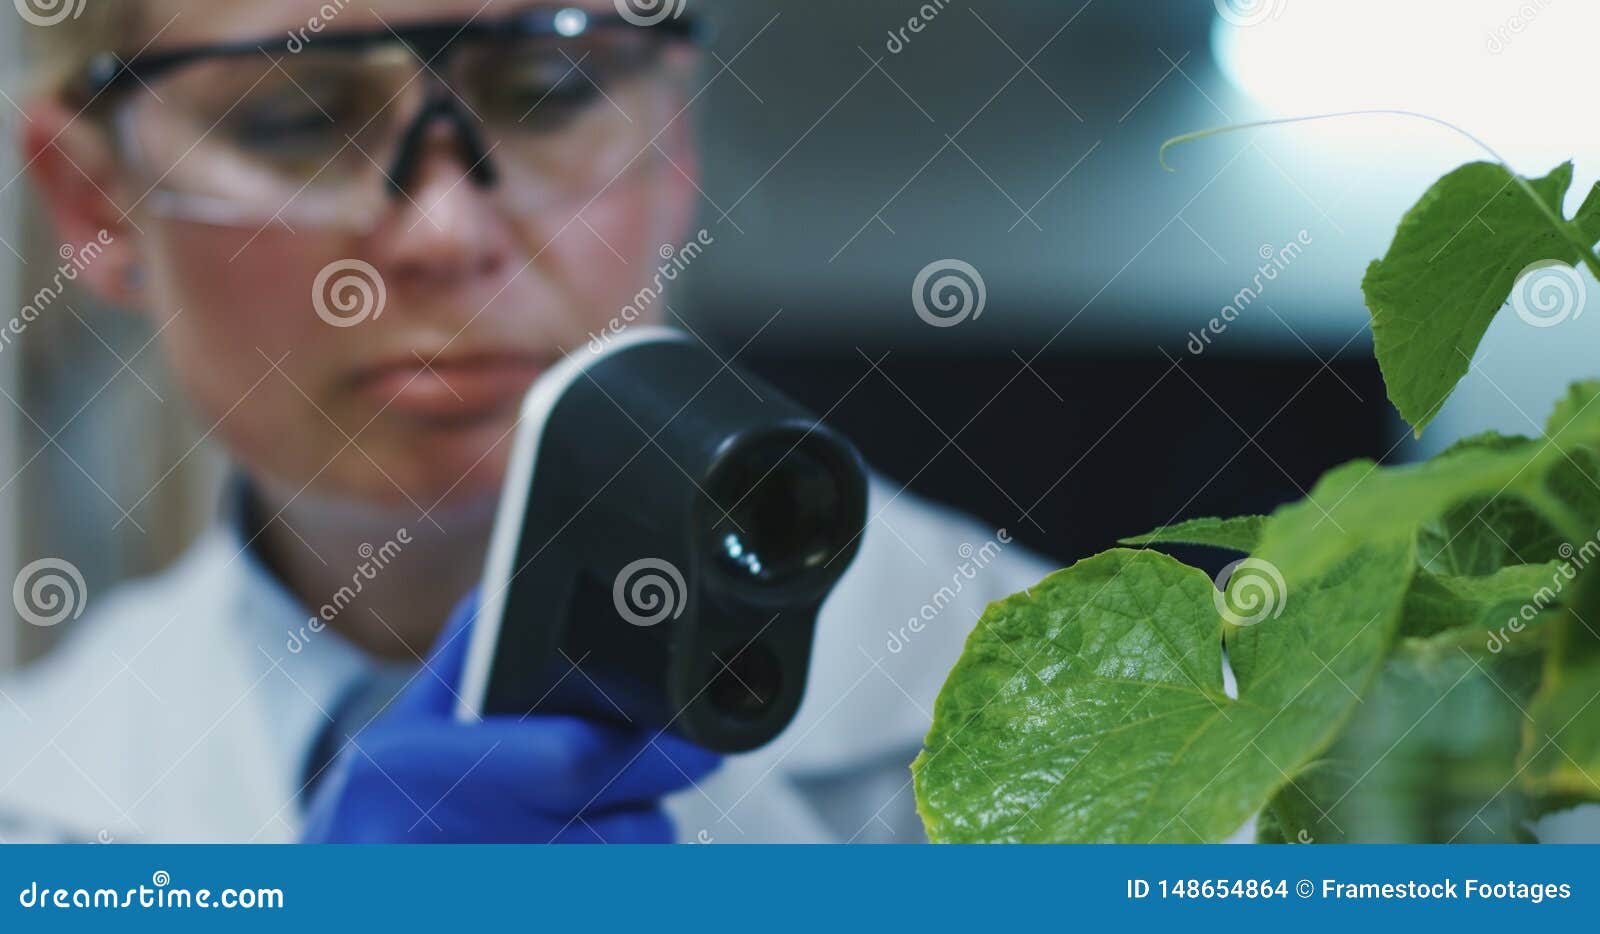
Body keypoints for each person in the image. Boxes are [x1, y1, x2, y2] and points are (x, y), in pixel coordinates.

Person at [0, 0, 1054, 843]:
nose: (443, 231)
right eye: (297, 118)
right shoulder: (33, 806)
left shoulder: (1093, 722)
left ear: (671, 143)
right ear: (97, 202)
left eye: (546, 94)